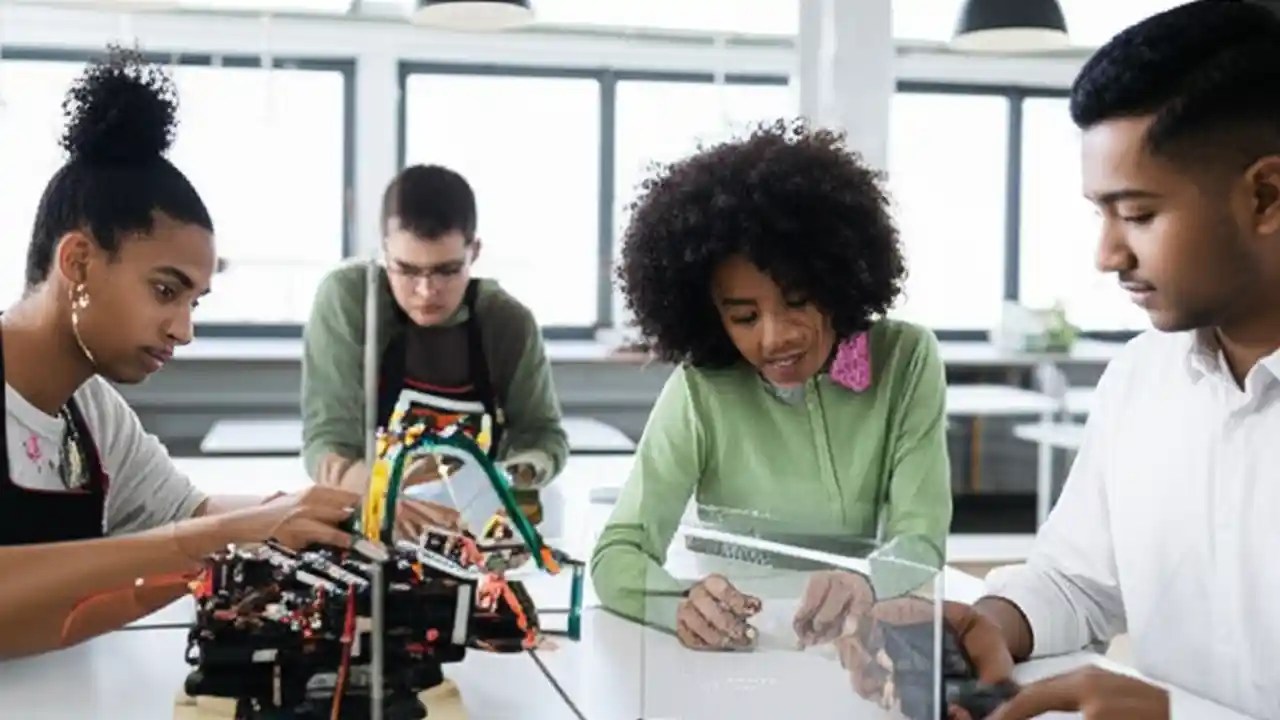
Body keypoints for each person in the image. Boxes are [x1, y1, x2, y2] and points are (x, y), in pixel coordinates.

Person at [809, 2, 1280, 719]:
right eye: (1101, 212)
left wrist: (1176, 717)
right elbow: (1077, 579)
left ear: (1267, 196)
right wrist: (992, 622)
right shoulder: (1141, 380)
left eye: (1139, 213)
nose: (1107, 254)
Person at [0, 47, 363, 661]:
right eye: (165, 291)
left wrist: (327, 512)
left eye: (194, 301)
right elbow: (195, 532)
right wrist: (211, 538)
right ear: (78, 262)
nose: (184, 330)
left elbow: (185, 511)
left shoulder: (91, 411)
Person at [589, 119, 953, 650]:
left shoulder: (905, 359)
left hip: (857, 645)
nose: (775, 337)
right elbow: (617, 552)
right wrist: (678, 606)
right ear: (711, 315)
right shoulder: (702, 387)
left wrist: (868, 582)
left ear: (837, 280)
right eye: (743, 317)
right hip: (739, 647)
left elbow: (920, 538)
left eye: (798, 302)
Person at [301, 164, 568, 529]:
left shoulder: (507, 322)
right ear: (384, 252)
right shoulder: (349, 300)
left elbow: (542, 434)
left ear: (474, 251)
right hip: (372, 515)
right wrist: (390, 502)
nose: (426, 291)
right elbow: (330, 441)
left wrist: (513, 480)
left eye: (447, 270)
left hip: (475, 525)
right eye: (406, 270)